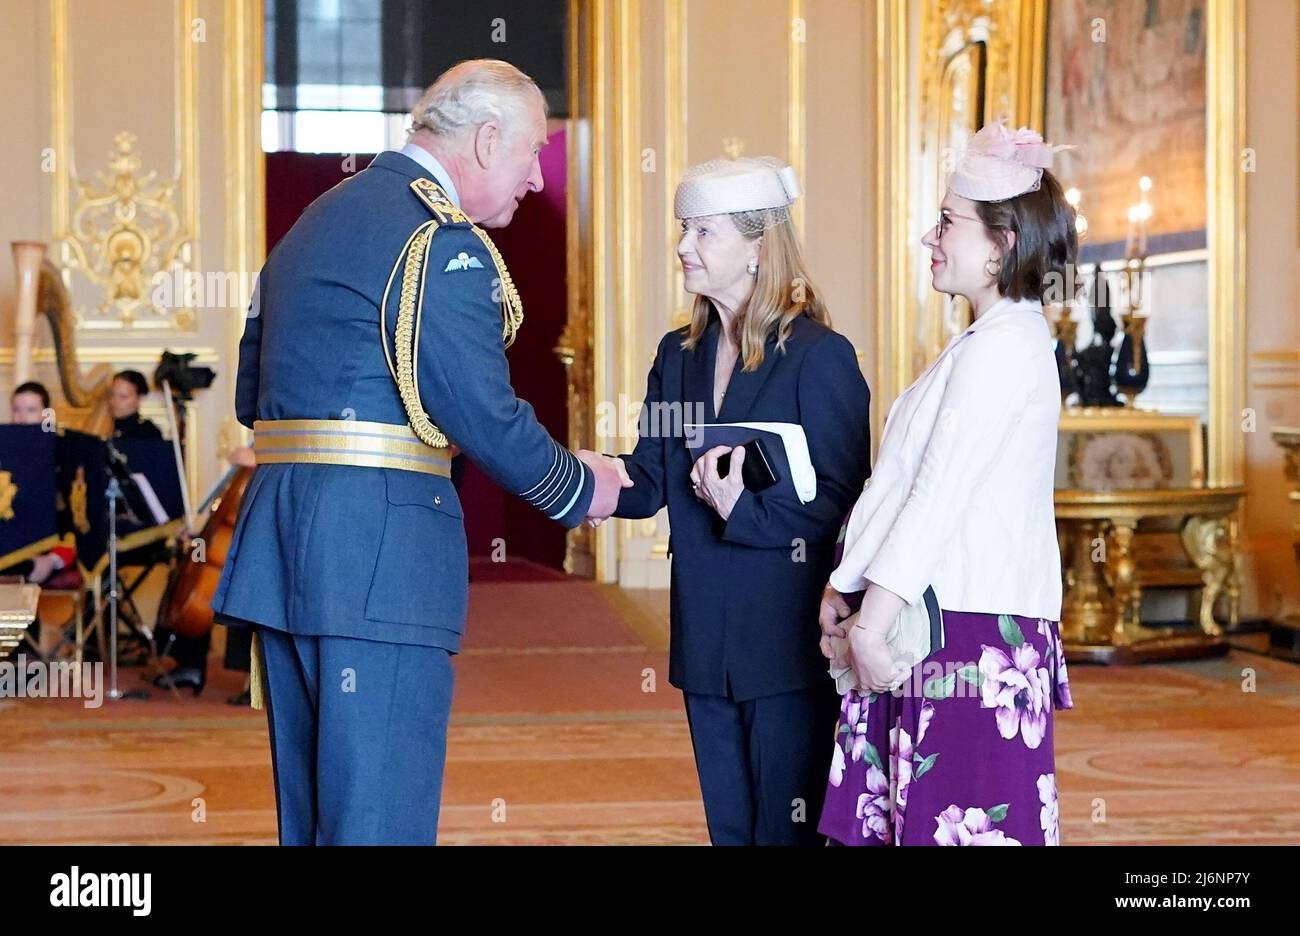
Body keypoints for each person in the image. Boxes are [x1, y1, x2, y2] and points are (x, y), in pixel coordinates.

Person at [211, 59, 629, 845]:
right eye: (532, 151)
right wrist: (583, 487)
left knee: (316, 820)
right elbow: (483, 412)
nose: (536, 178)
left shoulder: (318, 219)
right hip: (380, 556)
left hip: (286, 542)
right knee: (380, 818)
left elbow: (250, 396)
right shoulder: (441, 240)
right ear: (487, 138)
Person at [817, 121, 1075, 846]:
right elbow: (904, 484)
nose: (929, 237)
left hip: (968, 633)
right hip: (944, 620)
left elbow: (937, 496)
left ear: (1000, 246)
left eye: (947, 222)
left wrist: (871, 621)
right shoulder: (988, 340)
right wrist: (846, 585)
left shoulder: (1004, 350)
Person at [604, 157, 872, 845]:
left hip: (786, 639)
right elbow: (650, 476)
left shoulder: (819, 355)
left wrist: (741, 510)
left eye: (703, 232)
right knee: (729, 830)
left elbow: (847, 504)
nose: (682, 246)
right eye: (682, 229)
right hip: (704, 636)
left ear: (758, 246)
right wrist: (582, 479)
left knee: (785, 830)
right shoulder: (677, 355)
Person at [4, 381, 75, 585]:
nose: (22, 418)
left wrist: (53, 559)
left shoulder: (60, 452)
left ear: (46, 415)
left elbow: (70, 517)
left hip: (46, 548)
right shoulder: (5, 450)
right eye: (17, 410)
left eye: (31, 410)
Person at [108, 370, 162, 440]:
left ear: (141, 398)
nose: (114, 401)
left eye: (123, 397)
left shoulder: (149, 433)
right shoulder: (106, 426)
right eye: (112, 395)